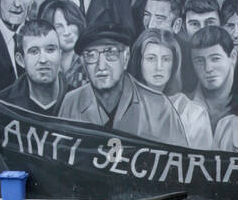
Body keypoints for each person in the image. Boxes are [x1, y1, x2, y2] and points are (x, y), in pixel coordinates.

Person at [58, 24, 186, 144]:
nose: (101, 66)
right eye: (91, 55)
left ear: (125, 57)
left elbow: (180, 163)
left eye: (111, 54)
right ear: (83, 64)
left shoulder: (160, 107)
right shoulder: (71, 102)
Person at [0, 19, 65, 116]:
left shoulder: (78, 101)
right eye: (34, 51)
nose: (43, 60)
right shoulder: (0, 105)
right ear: (21, 60)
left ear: (60, 55)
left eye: (50, 50)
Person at [38, 0, 88, 92]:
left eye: (70, 24)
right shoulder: (43, 63)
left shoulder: (89, 62)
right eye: (59, 26)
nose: (67, 32)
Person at [128, 28, 185, 99]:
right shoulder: (125, 102)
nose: (159, 67)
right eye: (151, 59)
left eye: (166, 59)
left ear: (174, 64)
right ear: (138, 62)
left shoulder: (187, 107)